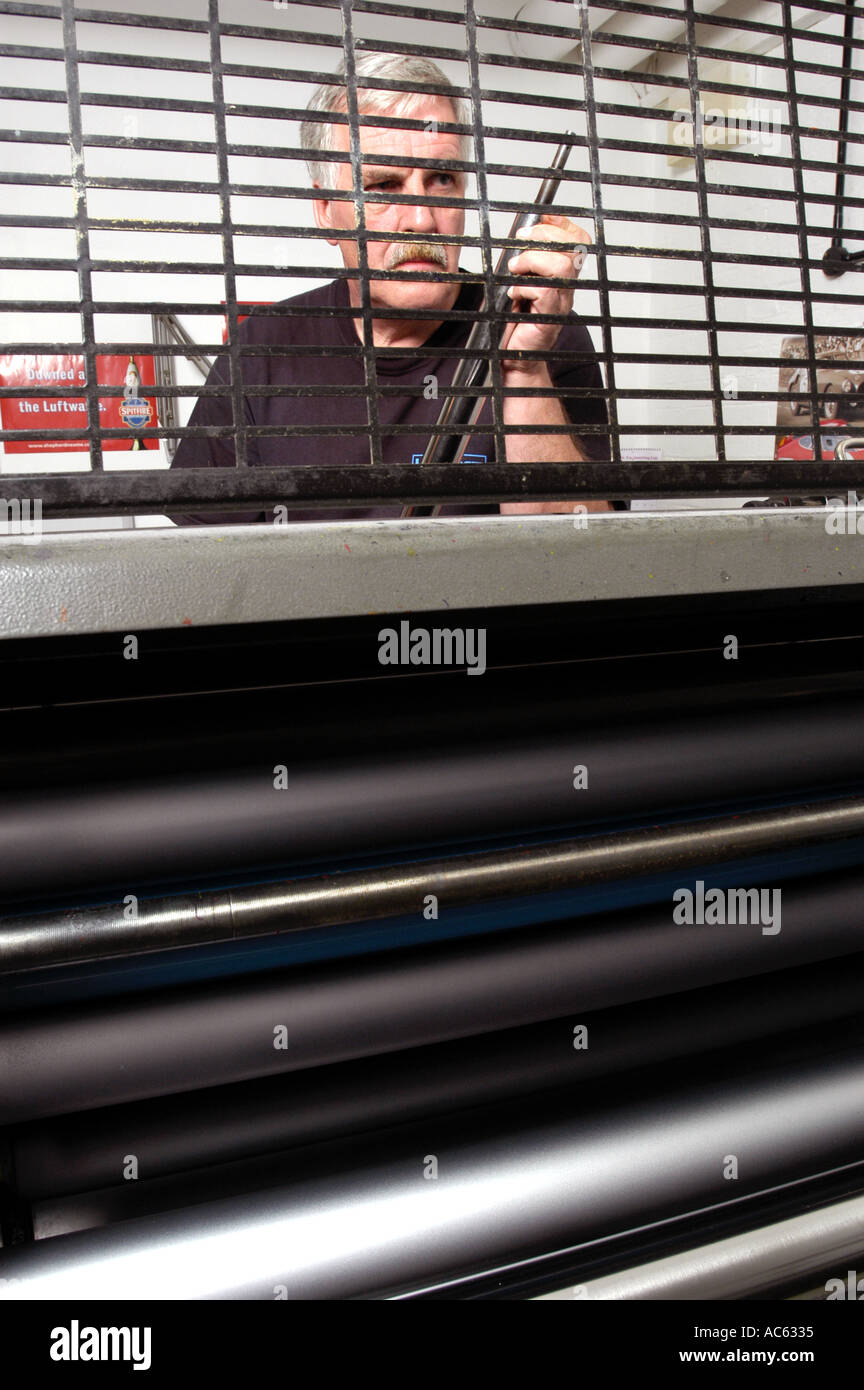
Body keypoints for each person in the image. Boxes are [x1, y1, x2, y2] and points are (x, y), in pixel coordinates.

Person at [170, 52, 612, 525]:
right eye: (383, 185)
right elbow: (213, 567)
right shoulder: (261, 351)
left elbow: (579, 559)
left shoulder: (539, 333)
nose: (421, 219)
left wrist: (523, 373)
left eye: (442, 179)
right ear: (326, 211)